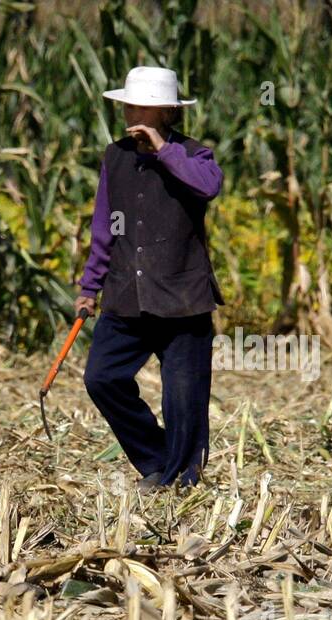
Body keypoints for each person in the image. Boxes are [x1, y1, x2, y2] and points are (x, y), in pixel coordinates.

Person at [75, 66, 224, 491]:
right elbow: (104, 225)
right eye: (126, 103)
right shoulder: (115, 156)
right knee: (101, 378)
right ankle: (158, 461)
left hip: (183, 296)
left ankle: (182, 478)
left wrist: (163, 150)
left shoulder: (195, 155)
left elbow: (208, 187)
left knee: (183, 398)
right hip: (126, 293)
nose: (127, 110)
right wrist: (90, 285)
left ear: (163, 112)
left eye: (136, 104)